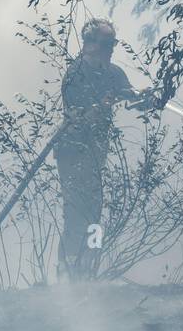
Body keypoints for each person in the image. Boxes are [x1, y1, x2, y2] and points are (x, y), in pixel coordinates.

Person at [55, 18, 152, 279]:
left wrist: (148, 97)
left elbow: (129, 96)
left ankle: (86, 272)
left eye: (113, 43)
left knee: (93, 211)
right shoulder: (74, 75)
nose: (111, 48)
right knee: (76, 211)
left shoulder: (113, 73)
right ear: (89, 45)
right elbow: (78, 119)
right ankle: (65, 272)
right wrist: (102, 106)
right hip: (72, 150)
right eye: (107, 43)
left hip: (97, 150)